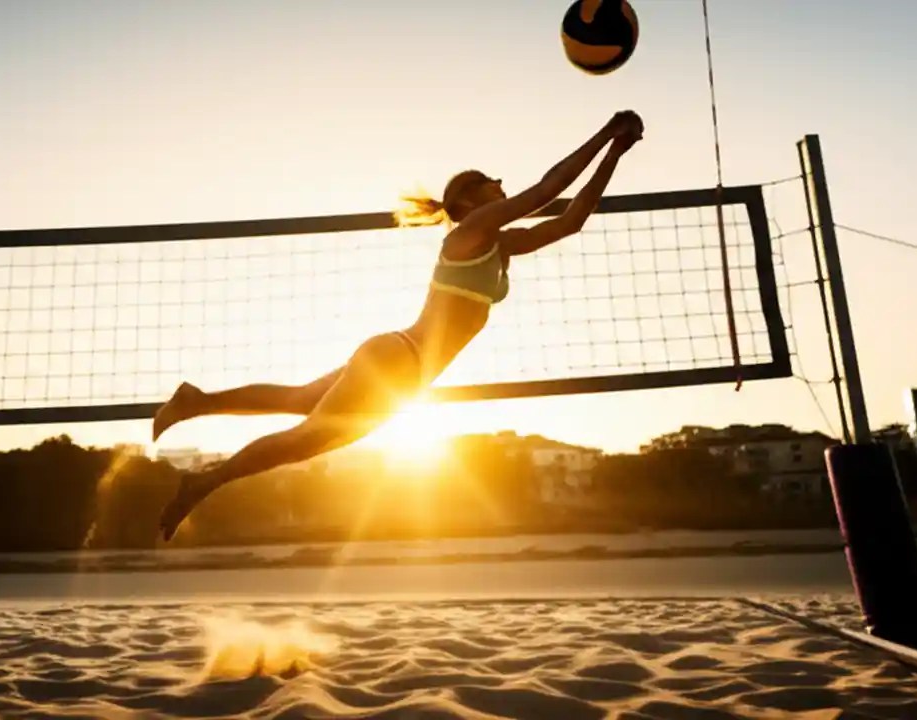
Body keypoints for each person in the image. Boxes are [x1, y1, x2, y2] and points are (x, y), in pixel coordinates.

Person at [153, 110, 644, 541]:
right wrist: (606, 130)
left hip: (396, 360)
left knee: (302, 402)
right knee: (307, 436)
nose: (502, 184)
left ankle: (199, 401)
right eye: (492, 182)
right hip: (398, 364)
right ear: (472, 202)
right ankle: (203, 482)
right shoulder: (471, 234)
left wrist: (615, 154)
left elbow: (569, 220)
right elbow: (546, 191)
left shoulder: (500, 247)